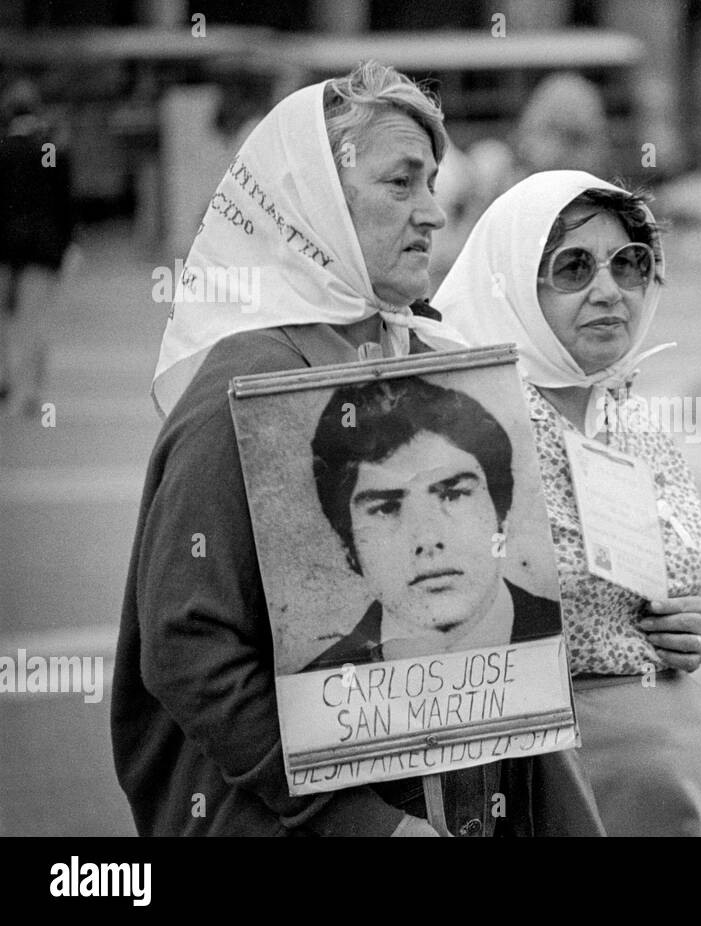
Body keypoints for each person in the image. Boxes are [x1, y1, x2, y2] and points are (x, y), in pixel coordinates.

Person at [112, 62, 601, 837]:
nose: (434, 214)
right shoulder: (244, 387)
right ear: (317, 203)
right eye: (401, 184)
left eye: (432, 183)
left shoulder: (421, 354)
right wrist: (360, 822)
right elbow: (186, 647)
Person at [434, 170, 701, 836]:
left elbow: (655, 589)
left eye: (630, 265)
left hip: (678, 785)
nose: (609, 291)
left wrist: (694, 628)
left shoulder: (633, 419)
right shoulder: (469, 433)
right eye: (572, 268)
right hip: (549, 792)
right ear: (513, 284)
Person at [305, 377, 561, 669]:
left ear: (502, 516)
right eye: (386, 508)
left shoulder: (572, 642)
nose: (427, 539)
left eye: (453, 495)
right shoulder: (319, 689)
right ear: (348, 547)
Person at [0, 79, 74, 417]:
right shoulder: (52, 151)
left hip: (5, 250)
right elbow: (65, 206)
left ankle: (6, 382)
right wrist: (68, 245)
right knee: (34, 322)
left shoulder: (4, 150)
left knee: (5, 322)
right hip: (43, 251)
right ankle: (28, 392)